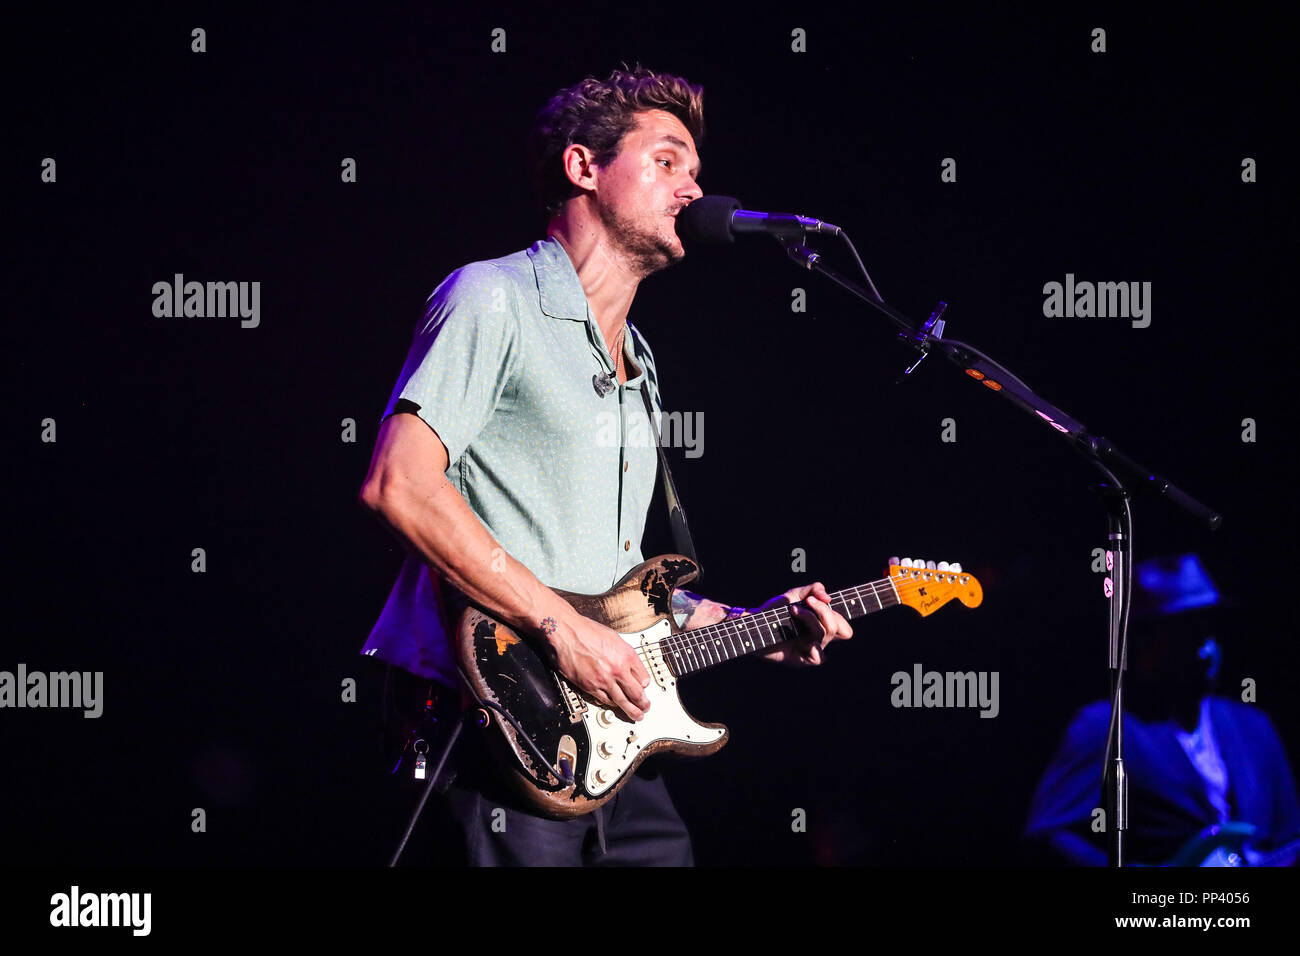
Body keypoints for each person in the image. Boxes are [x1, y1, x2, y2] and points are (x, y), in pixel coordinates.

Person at [357, 64, 854, 866]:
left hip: (611, 741)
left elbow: (617, 596)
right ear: (583, 167)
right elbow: (398, 484)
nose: (692, 189)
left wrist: (755, 624)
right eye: (666, 161)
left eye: (696, 172)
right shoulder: (494, 298)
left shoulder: (641, 365)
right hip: (498, 720)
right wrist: (562, 632)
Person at [1024, 553, 1300, 866]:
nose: (1207, 648)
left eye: (1210, 629)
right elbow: (1048, 834)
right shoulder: (1105, 727)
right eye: (1188, 632)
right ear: (1145, 643)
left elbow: (1290, 835)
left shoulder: (1252, 726)